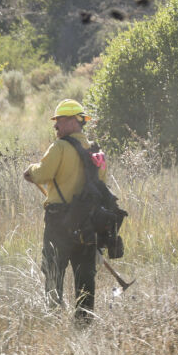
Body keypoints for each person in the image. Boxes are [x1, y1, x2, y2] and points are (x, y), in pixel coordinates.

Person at [25, 99, 107, 321]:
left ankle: (53, 319)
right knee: (85, 276)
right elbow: (102, 185)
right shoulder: (96, 152)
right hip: (88, 223)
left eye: (59, 121)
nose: (56, 126)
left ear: (73, 122)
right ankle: (84, 323)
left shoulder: (59, 147)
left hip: (59, 221)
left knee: (53, 272)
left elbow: (41, 174)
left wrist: (30, 170)